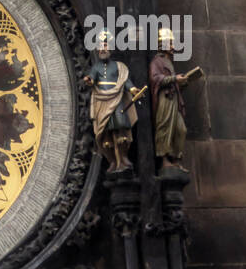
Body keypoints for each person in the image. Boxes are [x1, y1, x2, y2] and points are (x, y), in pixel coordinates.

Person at [83, 30, 138, 172]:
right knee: (105, 134)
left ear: (111, 47)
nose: (103, 48)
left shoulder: (118, 66)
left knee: (121, 128)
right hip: (102, 101)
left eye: (105, 45)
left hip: (116, 99)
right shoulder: (96, 67)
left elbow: (125, 81)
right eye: (100, 46)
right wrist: (89, 80)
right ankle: (112, 160)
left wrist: (132, 90)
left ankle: (123, 158)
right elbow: (91, 78)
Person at [149, 27, 200, 167]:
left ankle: (176, 158)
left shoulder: (168, 62)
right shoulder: (157, 61)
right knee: (164, 127)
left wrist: (181, 82)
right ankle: (164, 159)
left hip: (174, 99)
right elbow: (155, 78)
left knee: (180, 129)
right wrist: (173, 79)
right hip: (165, 100)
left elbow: (171, 80)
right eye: (170, 43)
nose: (172, 46)